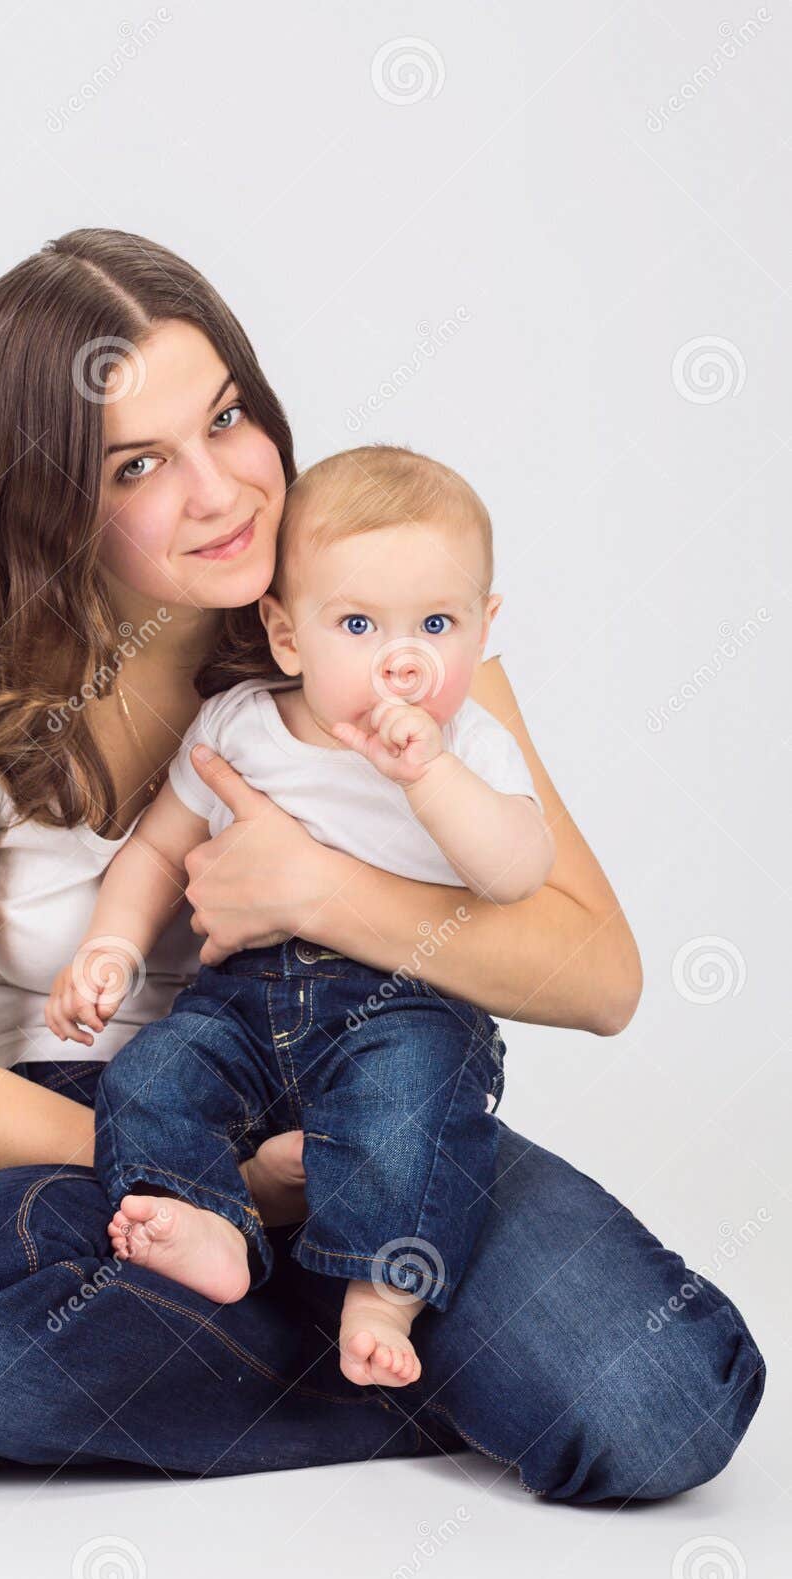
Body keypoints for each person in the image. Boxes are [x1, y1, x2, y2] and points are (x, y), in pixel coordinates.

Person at [0, 227, 764, 1501]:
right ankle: (399, 1341)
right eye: (138, 463)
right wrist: (217, 1181)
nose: (220, 490)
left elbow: (599, 976)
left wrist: (322, 893)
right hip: (102, 1153)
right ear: (47, 500)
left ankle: (320, 1312)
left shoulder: (382, 634)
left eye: (226, 417)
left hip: (376, 1096)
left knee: (662, 1400)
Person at [47, 446, 554, 1390]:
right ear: (287, 637)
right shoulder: (241, 722)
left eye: (435, 624)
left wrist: (430, 776)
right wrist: (111, 947)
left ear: (483, 631)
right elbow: (158, 851)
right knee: (151, 1076)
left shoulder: (469, 745)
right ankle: (210, 1221)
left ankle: (380, 1295)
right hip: (239, 1001)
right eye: (357, 623)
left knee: (412, 1108)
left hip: (402, 1006)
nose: (400, 659)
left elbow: (518, 870)